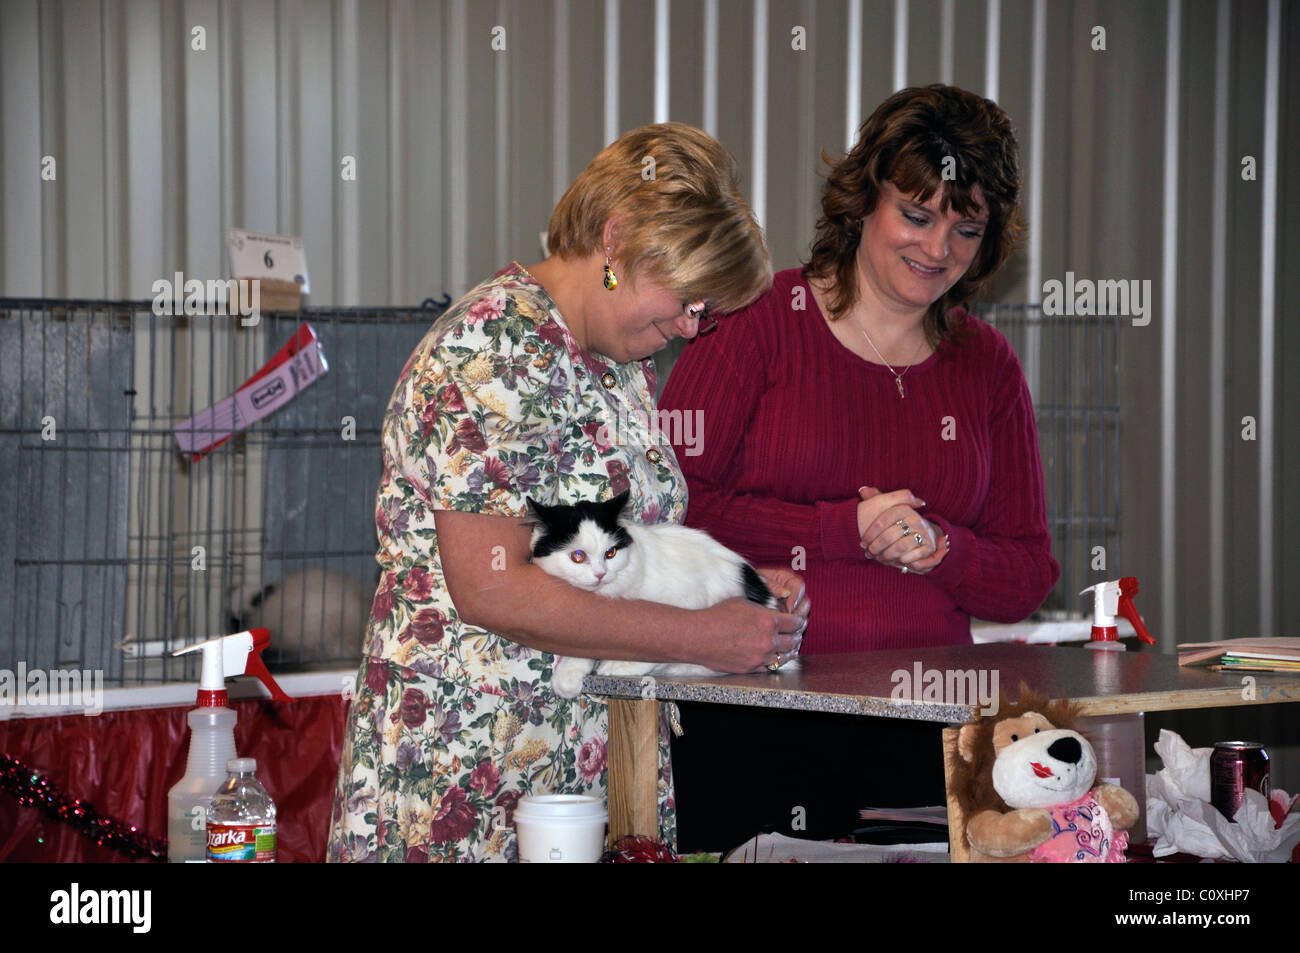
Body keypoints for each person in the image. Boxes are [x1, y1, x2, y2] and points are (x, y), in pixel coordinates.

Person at [326, 122, 809, 863]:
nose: (690, 326)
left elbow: (623, 555)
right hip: (472, 768)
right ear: (615, 242)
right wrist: (701, 636)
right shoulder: (489, 348)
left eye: (703, 311)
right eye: (684, 299)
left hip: (591, 758)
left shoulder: (616, 363)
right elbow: (494, 589)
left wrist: (726, 590)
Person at [657, 85, 1060, 849]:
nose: (937, 249)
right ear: (863, 200)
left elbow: (1029, 570)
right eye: (916, 214)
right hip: (753, 715)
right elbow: (670, 509)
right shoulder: (756, 323)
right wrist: (842, 528)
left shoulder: (988, 366)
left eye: (966, 228)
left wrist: (946, 548)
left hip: (930, 733)